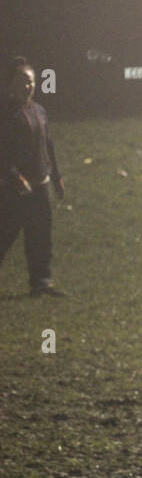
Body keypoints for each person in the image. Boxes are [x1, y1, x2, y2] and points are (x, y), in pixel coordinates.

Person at [0, 56, 66, 297]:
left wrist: (56, 176)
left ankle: (41, 282)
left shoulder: (40, 110)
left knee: (40, 235)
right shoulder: (6, 115)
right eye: (22, 82)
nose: (27, 86)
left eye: (30, 81)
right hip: (14, 189)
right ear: (10, 85)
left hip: (40, 185)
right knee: (5, 236)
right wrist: (13, 176)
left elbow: (48, 144)